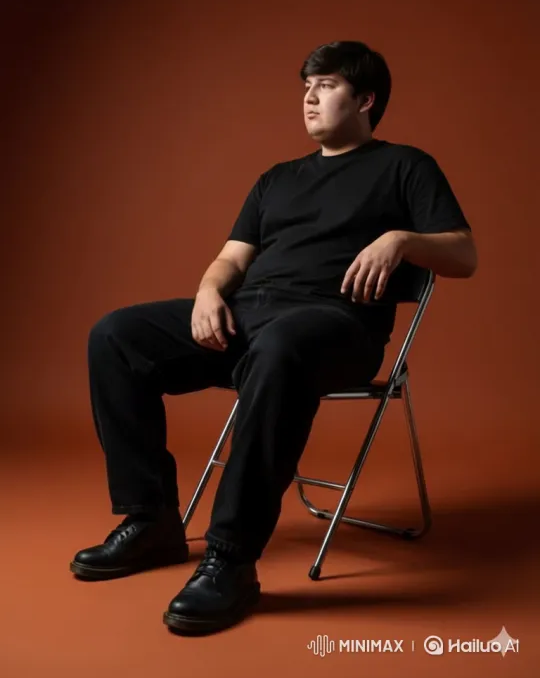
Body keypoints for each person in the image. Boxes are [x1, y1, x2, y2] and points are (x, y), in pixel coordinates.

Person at [70, 40, 477, 635]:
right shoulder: (277, 179)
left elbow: (464, 255)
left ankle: (231, 559)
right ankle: (151, 521)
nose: (310, 98)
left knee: (280, 346)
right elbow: (231, 259)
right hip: (249, 318)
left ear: (366, 99)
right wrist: (208, 293)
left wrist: (401, 240)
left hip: (336, 325)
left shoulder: (405, 167)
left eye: (327, 86)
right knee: (115, 336)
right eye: (306, 87)